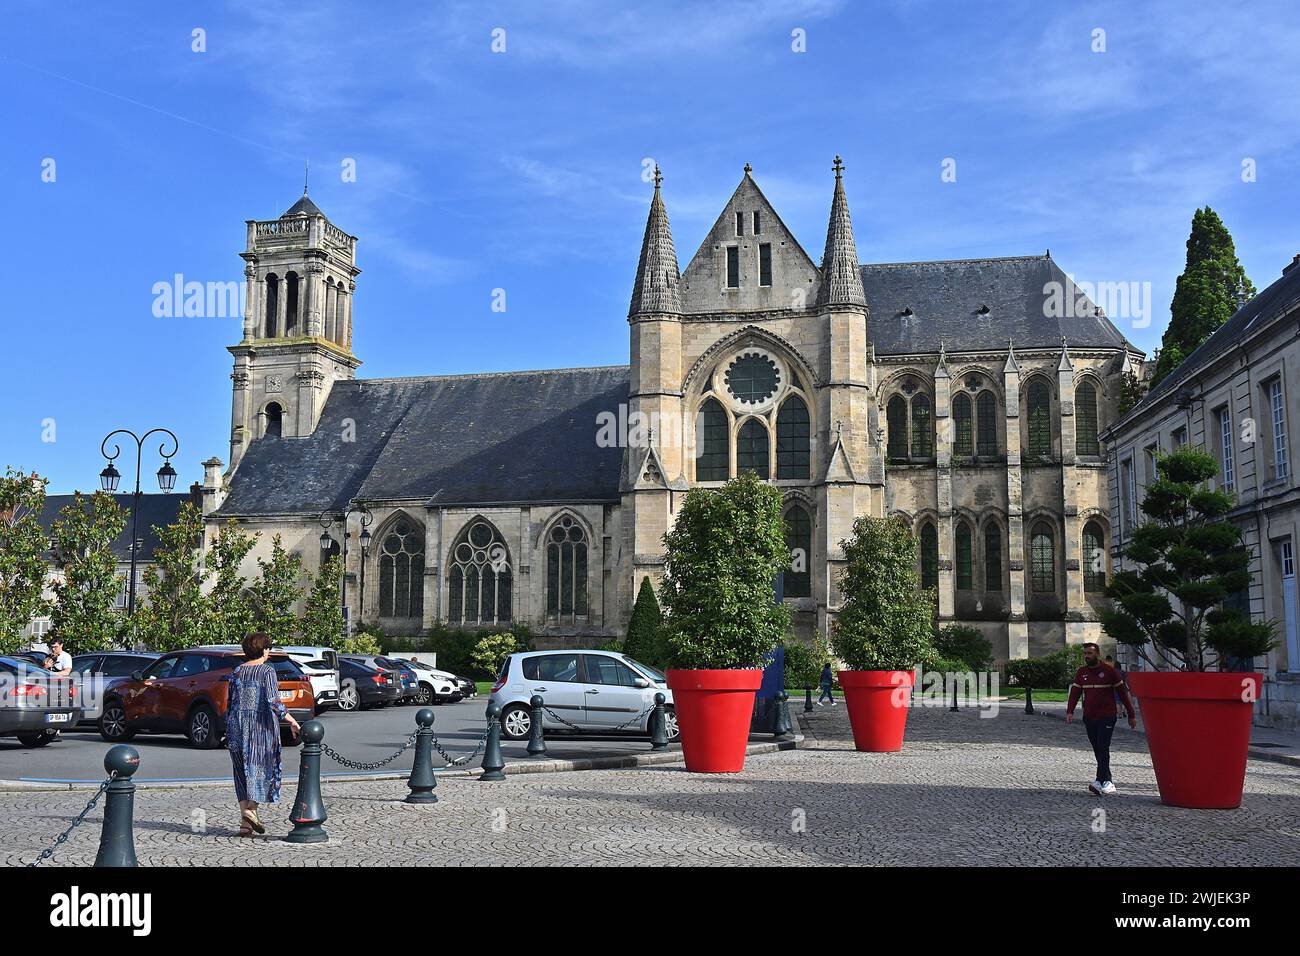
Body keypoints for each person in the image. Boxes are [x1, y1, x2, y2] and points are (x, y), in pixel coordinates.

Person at [227, 632, 300, 836]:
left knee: (242, 774)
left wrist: (228, 729)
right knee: (263, 770)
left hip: (236, 727)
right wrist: (292, 721)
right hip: (260, 728)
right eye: (268, 647)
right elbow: (273, 701)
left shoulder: (237, 671)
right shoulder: (267, 671)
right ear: (264, 649)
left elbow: (230, 703)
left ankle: (245, 825)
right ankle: (250, 810)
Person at [1066, 643, 1136, 796]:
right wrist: (1070, 711)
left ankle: (1102, 780)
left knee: (1103, 746)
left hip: (1107, 715)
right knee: (1097, 747)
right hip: (1090, 716)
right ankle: (1106, 780)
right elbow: (1075, 693)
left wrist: (1131, 714)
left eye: (1090, 653)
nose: (1087, 656)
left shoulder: (1109, 672)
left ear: (1097, 654)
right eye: (1085, 653)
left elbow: (1123, 694)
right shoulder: (1082, 672)